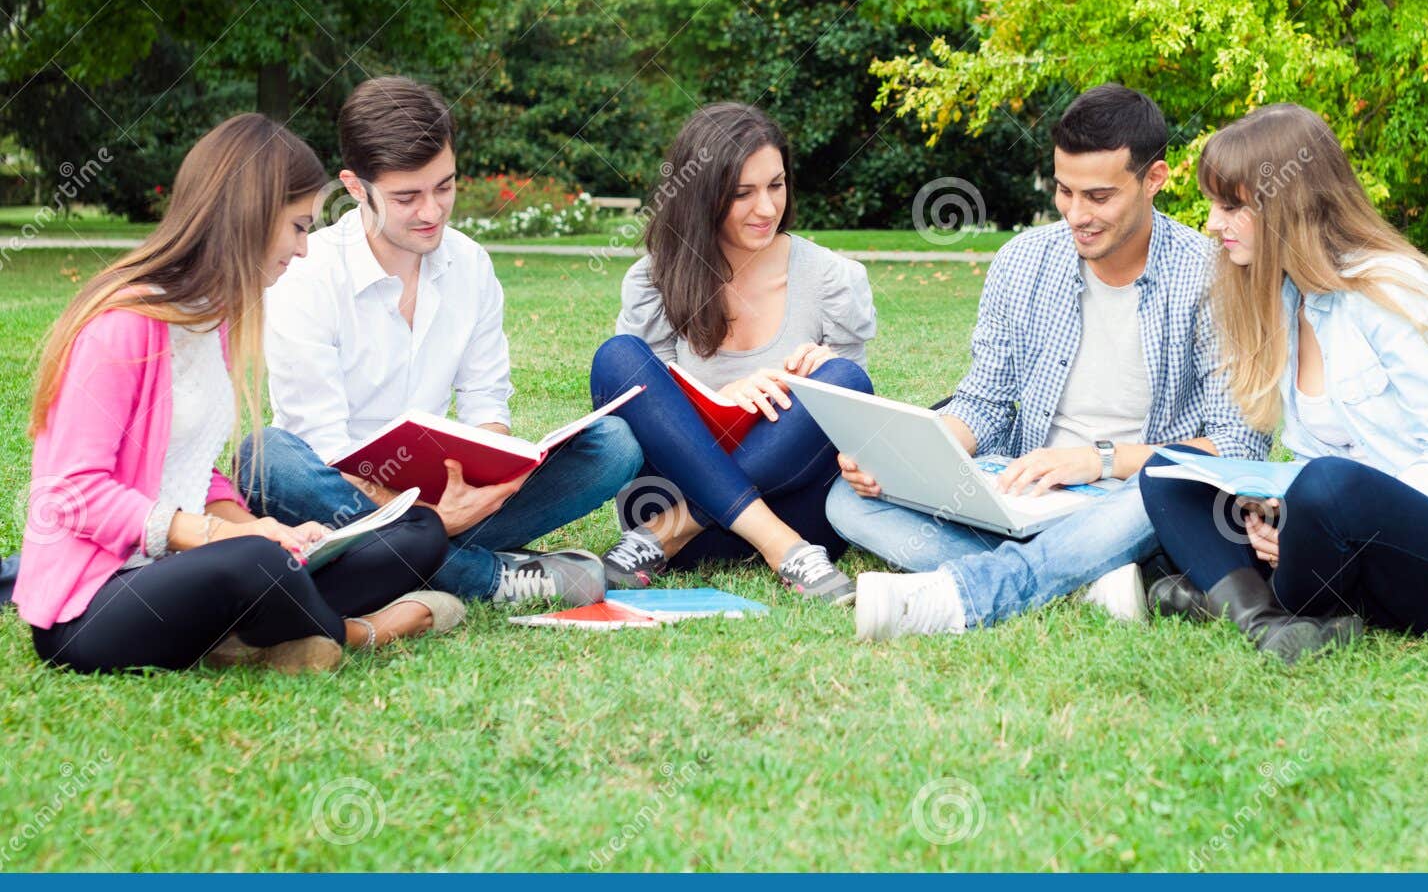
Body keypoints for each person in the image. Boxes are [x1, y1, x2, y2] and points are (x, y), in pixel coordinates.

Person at [1139, 103, 1428, 663]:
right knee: (1166, 470)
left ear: (1287, 205)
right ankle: (1268, 622)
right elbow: (1310, 459)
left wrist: (1315, 523)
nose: (1211, 223)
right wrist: (1278, 514)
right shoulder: (1286, 298)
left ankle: (1221, 594)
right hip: (1339, 545)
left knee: (1330, 487)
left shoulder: (1391, 289)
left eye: (1231, 206)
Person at [15, 114, 459, 675]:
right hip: (97, 605)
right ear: (248, 217)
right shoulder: (123, 324)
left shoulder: (213, 320)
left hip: (195, 568)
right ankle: (356, 632)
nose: (303, 249)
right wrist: (227, 537)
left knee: (417, 533)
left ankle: (257, 630)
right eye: (297, 227)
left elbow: (197, 470)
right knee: (253, 561)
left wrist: (259, 529)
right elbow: (74, 492)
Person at [827, 83, 1271, 638]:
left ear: (1153, 179)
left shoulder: (1212, 277)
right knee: (849, 499)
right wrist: (910, 457)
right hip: (1028, 492)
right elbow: (984, 401)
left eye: (1099, 197)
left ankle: (976, 592)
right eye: (1065, 191)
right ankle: (1087, 581)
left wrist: (1099, 460)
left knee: (1159, 489)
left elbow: (1239, 447)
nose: (1076, 214)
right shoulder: (1022, 261)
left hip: (1138, 497)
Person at [239, 77, 643, 608]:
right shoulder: (309, 276)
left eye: (444, 187)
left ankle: (412, 560)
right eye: (407, 197)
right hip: (339, 504)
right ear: (355, 187)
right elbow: (322, 443)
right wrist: (425, 518)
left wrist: (487, 478)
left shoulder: (469, 263)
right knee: (266, 457)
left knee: (614, 445)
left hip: (450, 503)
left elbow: (485, 401)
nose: (432, 212)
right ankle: (488, 577)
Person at [589, 102, 875, 603]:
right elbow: (645, 412)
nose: (766, 209)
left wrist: (820, 377)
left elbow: (854, 431)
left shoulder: (832, 278)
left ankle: (676, 529)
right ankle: (776, 546)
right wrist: (726, 395)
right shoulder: (655, 279)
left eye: (776, 185)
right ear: (701, 195)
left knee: (846, 380)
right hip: (665, 496)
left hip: (784, 511)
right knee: (618, 357)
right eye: (743, 193)